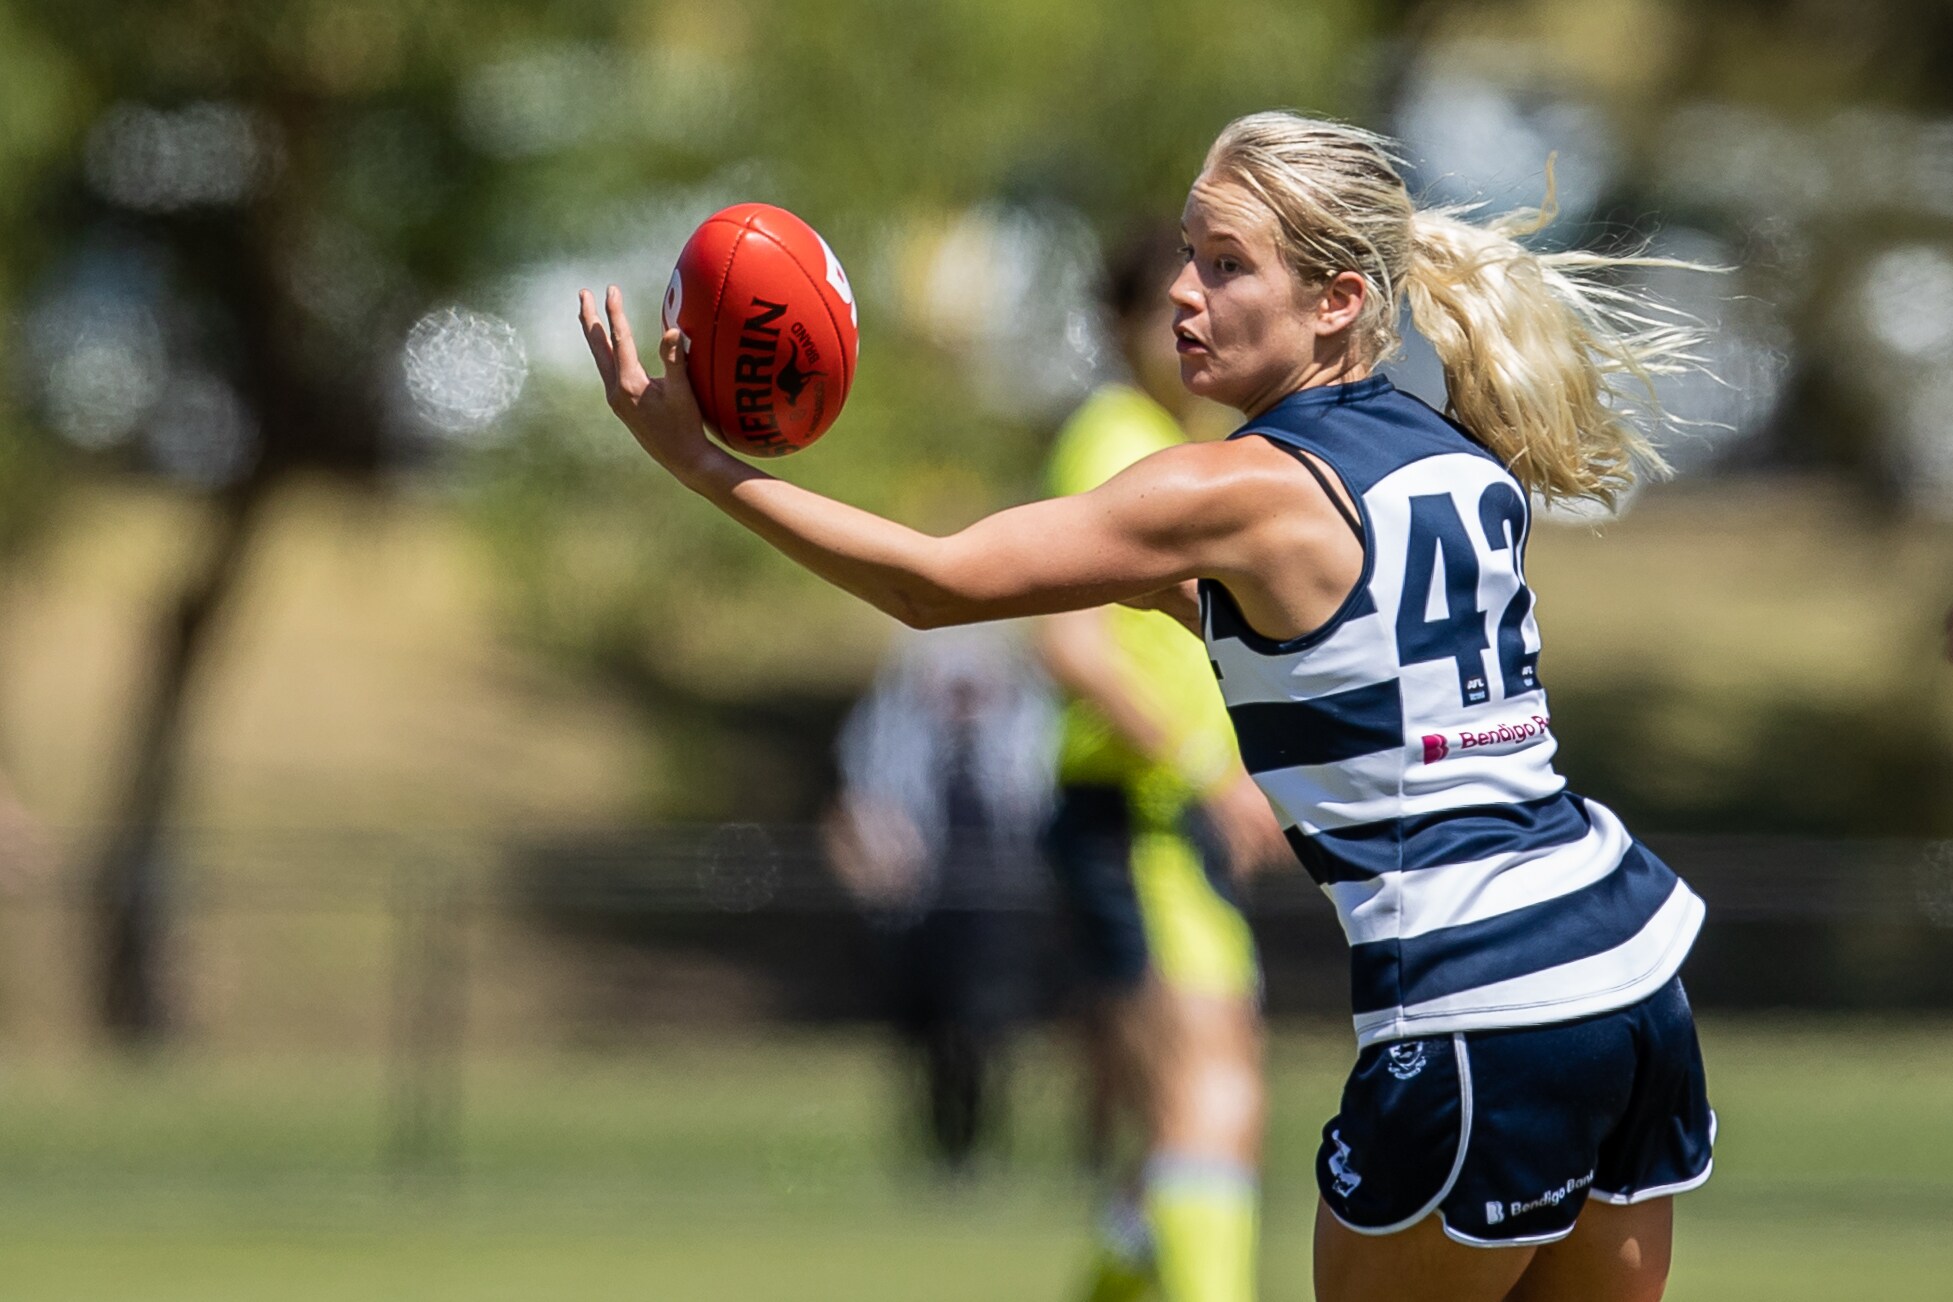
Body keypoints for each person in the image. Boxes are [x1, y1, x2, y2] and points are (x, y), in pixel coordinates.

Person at [580, 109, 1716, 1302]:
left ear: (1335, 299)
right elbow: (1298, 640)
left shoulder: (1236, 488)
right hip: (1631, 975)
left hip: (1485, 1003)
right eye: (1187, 254)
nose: (1183, 292)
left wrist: (701, 464)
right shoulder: (1452, 456)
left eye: (1227, 264)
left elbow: (930, 587)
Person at [1038, 226, 1286, 1302]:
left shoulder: (1203, 447)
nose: (1193, 319)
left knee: (1182, 1120)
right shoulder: (1116, 439)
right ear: (1118, 327)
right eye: (1166, 306)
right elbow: (1072, 643)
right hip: (1135, 819)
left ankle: (1116, 1276)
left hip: (1173, 827)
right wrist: (1203, 766)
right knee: (1209, 1097)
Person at [823, 625, 1056, 1169]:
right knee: (922, 1036)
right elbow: (856, 808)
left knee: (988, 1031)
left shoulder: (1030, 729)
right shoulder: (887, 728)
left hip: (1000, 908)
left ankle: (978, 1145)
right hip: (917, 906)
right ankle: (936, 1147)